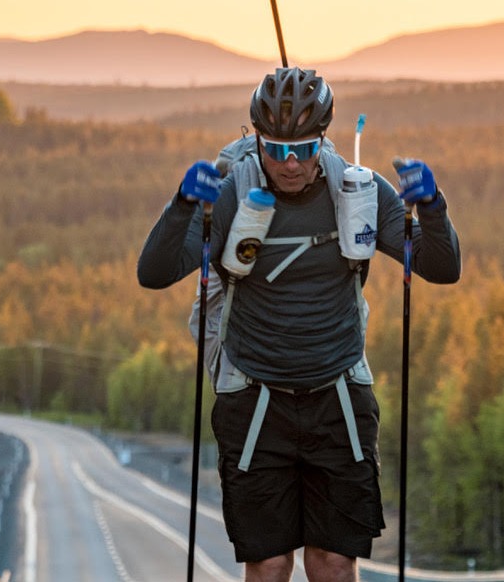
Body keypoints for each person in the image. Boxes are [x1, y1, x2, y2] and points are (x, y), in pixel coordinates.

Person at [137, 67, 461, 582]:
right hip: (253, 397)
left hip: (338, 398)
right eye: (277, 149)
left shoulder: (358, 193)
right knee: (268, 564)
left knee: (332, 562)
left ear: (325, 141)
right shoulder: (231, 194)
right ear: (256, 140)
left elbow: (442, 269)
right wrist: (182, 207)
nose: (291, 163)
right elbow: (153, 273)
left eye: (305, 149)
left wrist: (433, 209)